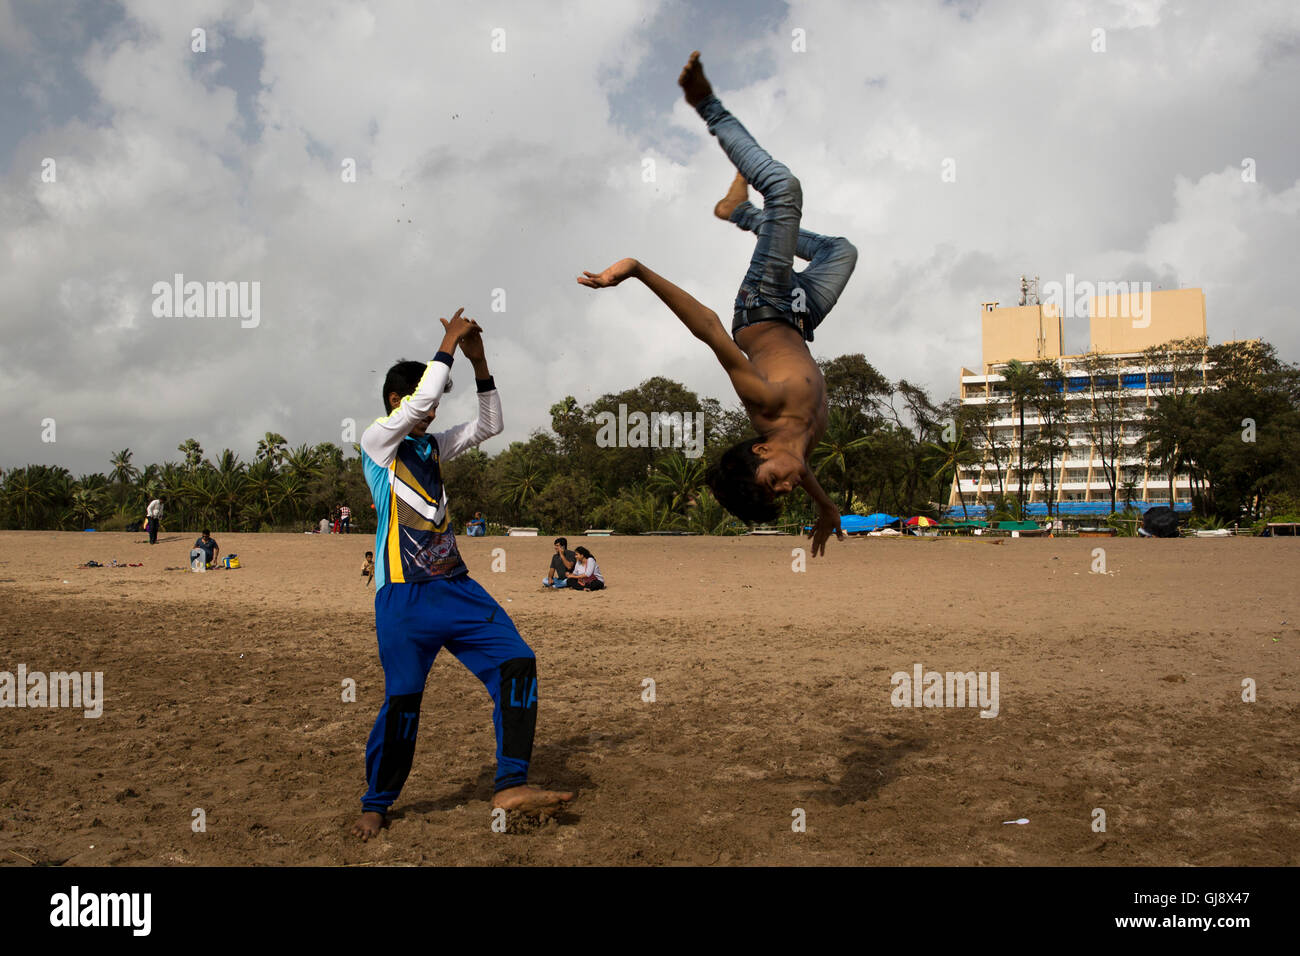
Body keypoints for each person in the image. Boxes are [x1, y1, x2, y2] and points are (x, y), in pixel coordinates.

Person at [578, 51, 855, 557]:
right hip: (802, 315)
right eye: (783, 495)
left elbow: (707, 329)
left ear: (760, 449)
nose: (788, 486)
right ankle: (741, 213)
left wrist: (637, 271)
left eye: (773, 483)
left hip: (764, 304)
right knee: (842, 251)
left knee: (785, 189)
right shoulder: (797, 451)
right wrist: (826, 506)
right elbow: (803, 471)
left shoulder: (765, 402)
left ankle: (706, 105)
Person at [351, 308, 571, 842]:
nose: (430, 409)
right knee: (404, 702)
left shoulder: (431, 446)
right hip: (403, 598)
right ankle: (377, 802)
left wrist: (479, 363)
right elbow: (423, 400)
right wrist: (447, 341)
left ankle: (511, 782)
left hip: (456, 588)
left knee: (518, 663)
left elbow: (490, 425)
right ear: (394, 403)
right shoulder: (378, 443)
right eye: (420, 401)